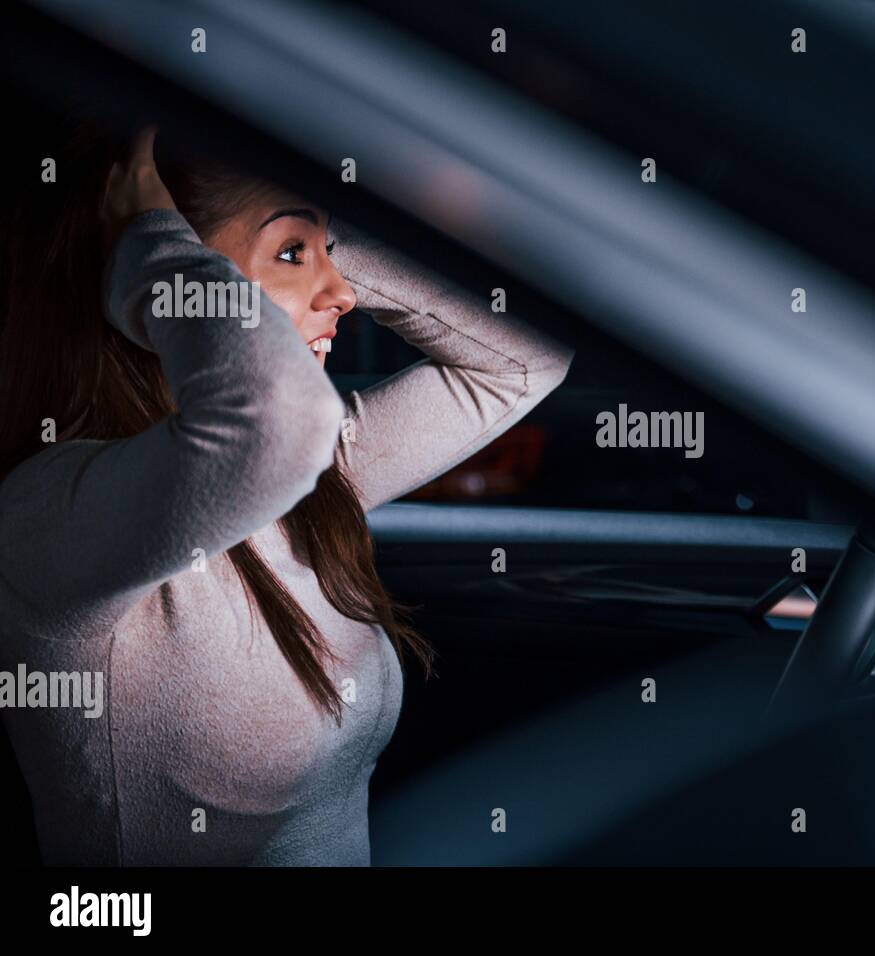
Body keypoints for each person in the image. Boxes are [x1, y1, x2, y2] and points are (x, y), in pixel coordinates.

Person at [0, 125, 573, 865]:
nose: (341, 295)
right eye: (293, 254)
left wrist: (324, 241)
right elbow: (275, 420)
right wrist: (153, 244)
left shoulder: (307, 479)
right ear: (150, 283)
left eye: (327, 255)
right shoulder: (46, 517)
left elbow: (526, 358)